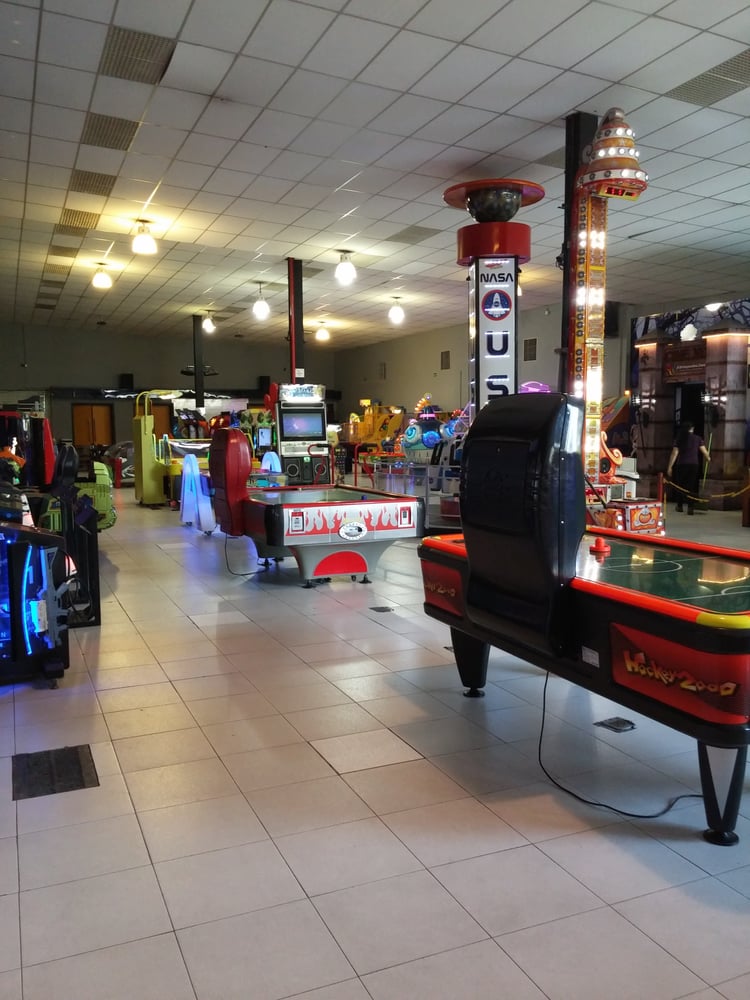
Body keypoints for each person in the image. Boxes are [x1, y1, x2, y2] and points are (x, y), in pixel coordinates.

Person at [667, 421, 710, 514]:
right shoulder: (697, 438)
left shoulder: (679, 439)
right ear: (692, 429)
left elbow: (674, 453)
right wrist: (708, 458)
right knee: (691, 486)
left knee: (680, 486)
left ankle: (679, 506)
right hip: (693, 465)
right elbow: (704, 451)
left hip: (681, 464)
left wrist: (670, 467)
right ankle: (690, 507)